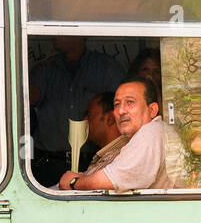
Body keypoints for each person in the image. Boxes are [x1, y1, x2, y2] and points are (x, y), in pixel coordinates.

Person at [30, 36, 123, 186]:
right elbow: (24, 99)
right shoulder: (45, 69)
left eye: (61, 27)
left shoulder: (106, 67)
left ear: (78, 33)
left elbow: (124, 108)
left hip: (92, 162)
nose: (54, 33)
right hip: (48, 163)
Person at [59, 79, 174, 191]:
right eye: (117, 104)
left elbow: (111, 179)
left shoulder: (151, 132)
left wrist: (74, 182)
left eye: (130, 102)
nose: (121, 111)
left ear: (152, 110)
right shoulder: (152, 133)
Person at [82, 91, 126, 170]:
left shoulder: (119, 158)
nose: (84, 120)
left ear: (110, 118)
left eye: (89, 116)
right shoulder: (105, 156)